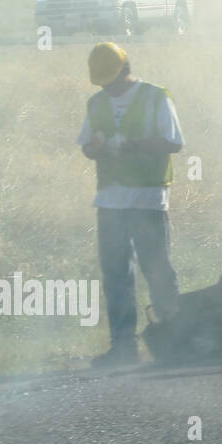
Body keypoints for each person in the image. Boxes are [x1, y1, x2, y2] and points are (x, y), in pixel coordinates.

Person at [77, 43, 183, 367]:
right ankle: (123, 348)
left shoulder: (155, 97)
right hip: (110, 200)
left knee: (157, 269)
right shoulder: (96, 103)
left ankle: (177, 342)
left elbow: (174, 142)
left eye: (111, 80)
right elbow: (86, 147)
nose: (107, 87)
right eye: (103, 82)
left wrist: (132, 145)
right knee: (115, 274)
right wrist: (95, 149)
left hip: (147, 198)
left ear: (125, 69)